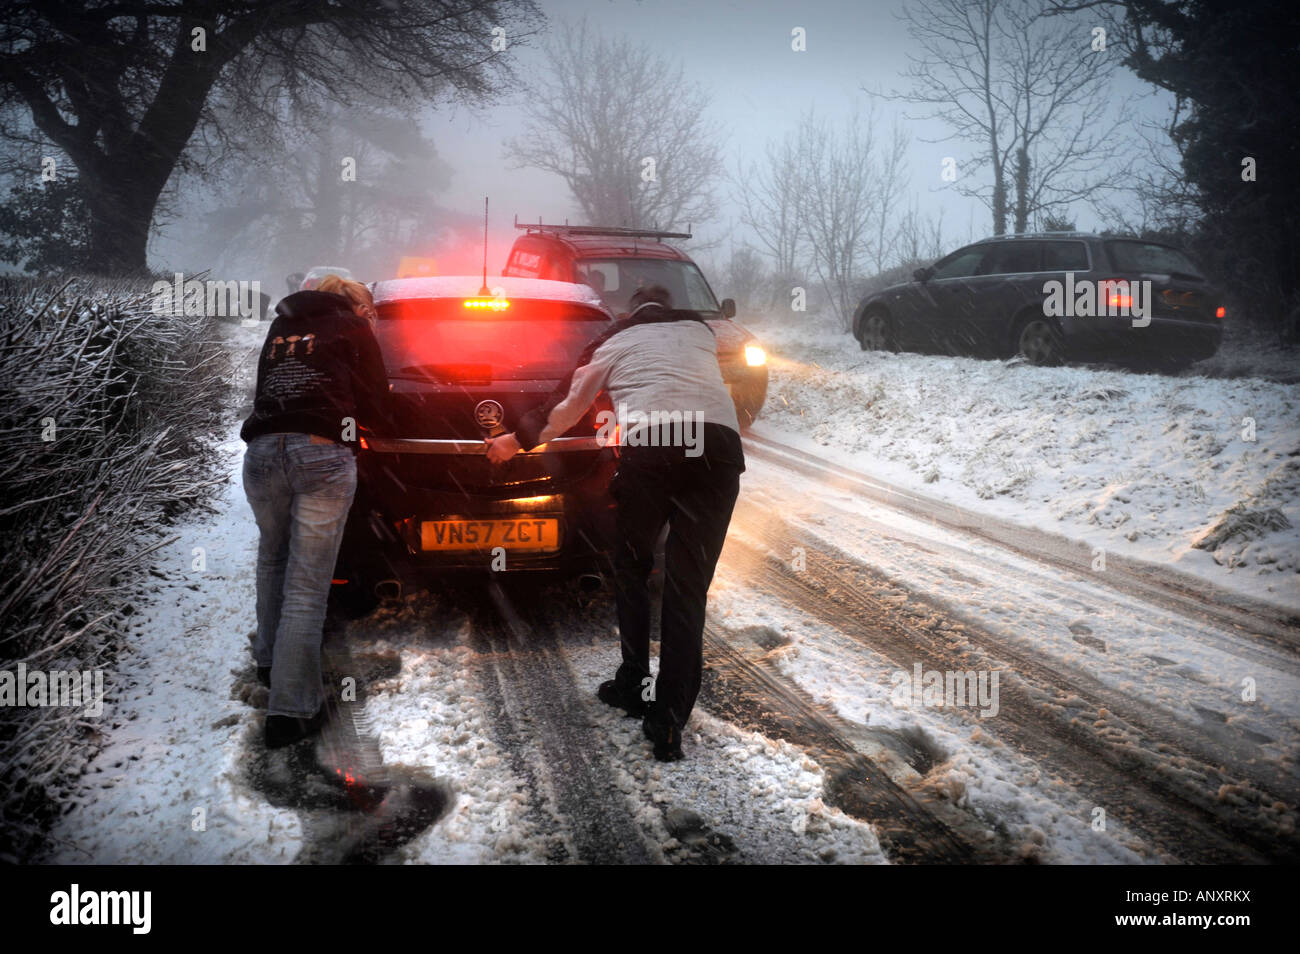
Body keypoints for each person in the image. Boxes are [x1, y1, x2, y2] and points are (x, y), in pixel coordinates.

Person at [485, 285, 744, 761]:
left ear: (630, 312)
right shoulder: (700, 333)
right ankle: (667, 720)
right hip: (718, 452)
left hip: (655, 449)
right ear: (668, 308)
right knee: (687, 589)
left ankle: (632, 684)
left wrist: (515, 442)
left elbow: (567, 404)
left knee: (632, 568)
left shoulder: (613, 341)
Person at [240, 275, 389, 748]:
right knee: (307, 586)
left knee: (272, 559)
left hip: (262, 453)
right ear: (354, 303)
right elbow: (377, 401)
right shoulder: (350, 324)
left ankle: (268, 663)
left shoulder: (281, 327)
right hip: (321, 456)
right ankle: (290, 711)